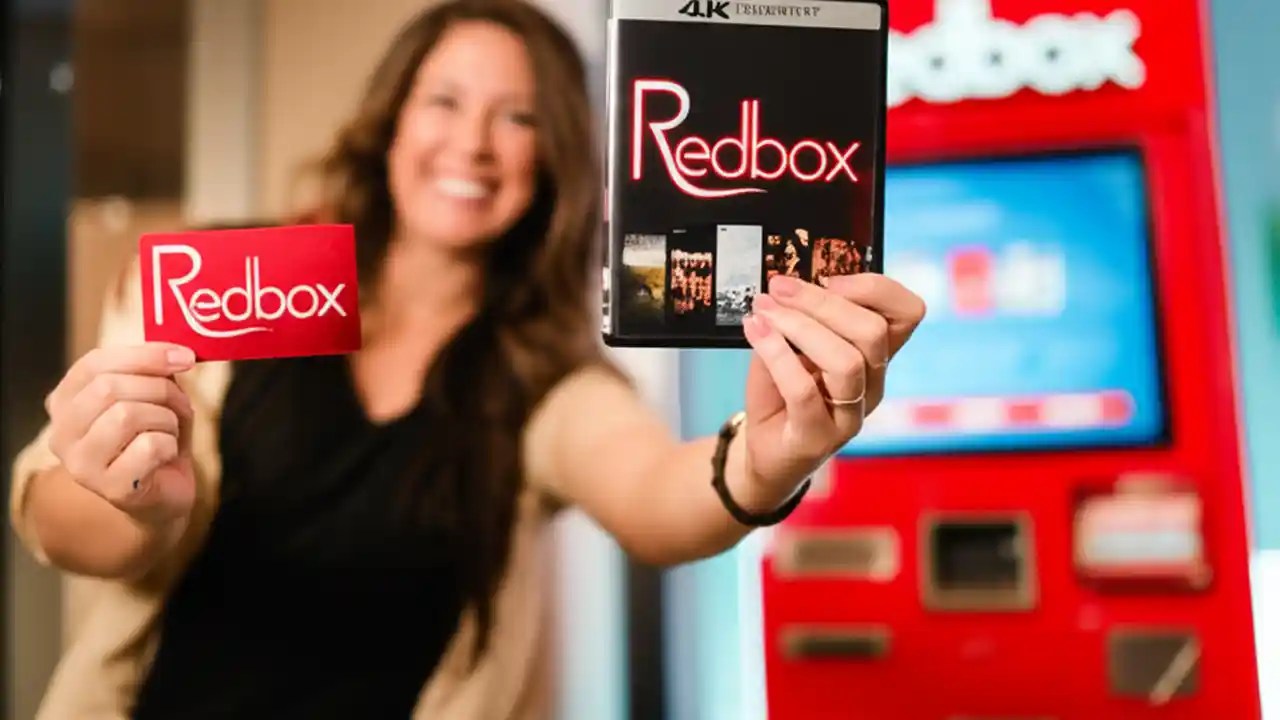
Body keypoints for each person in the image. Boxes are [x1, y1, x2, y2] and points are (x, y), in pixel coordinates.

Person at [8, 0, 925, 718]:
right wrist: (136, 503)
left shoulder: (541, 378)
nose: (474, 144)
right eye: (444, 101)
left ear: (554, 156)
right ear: (395, 121)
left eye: (519, 117)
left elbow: (656, 500)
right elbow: (57, 520)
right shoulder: (227, 285)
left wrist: (770, 457)